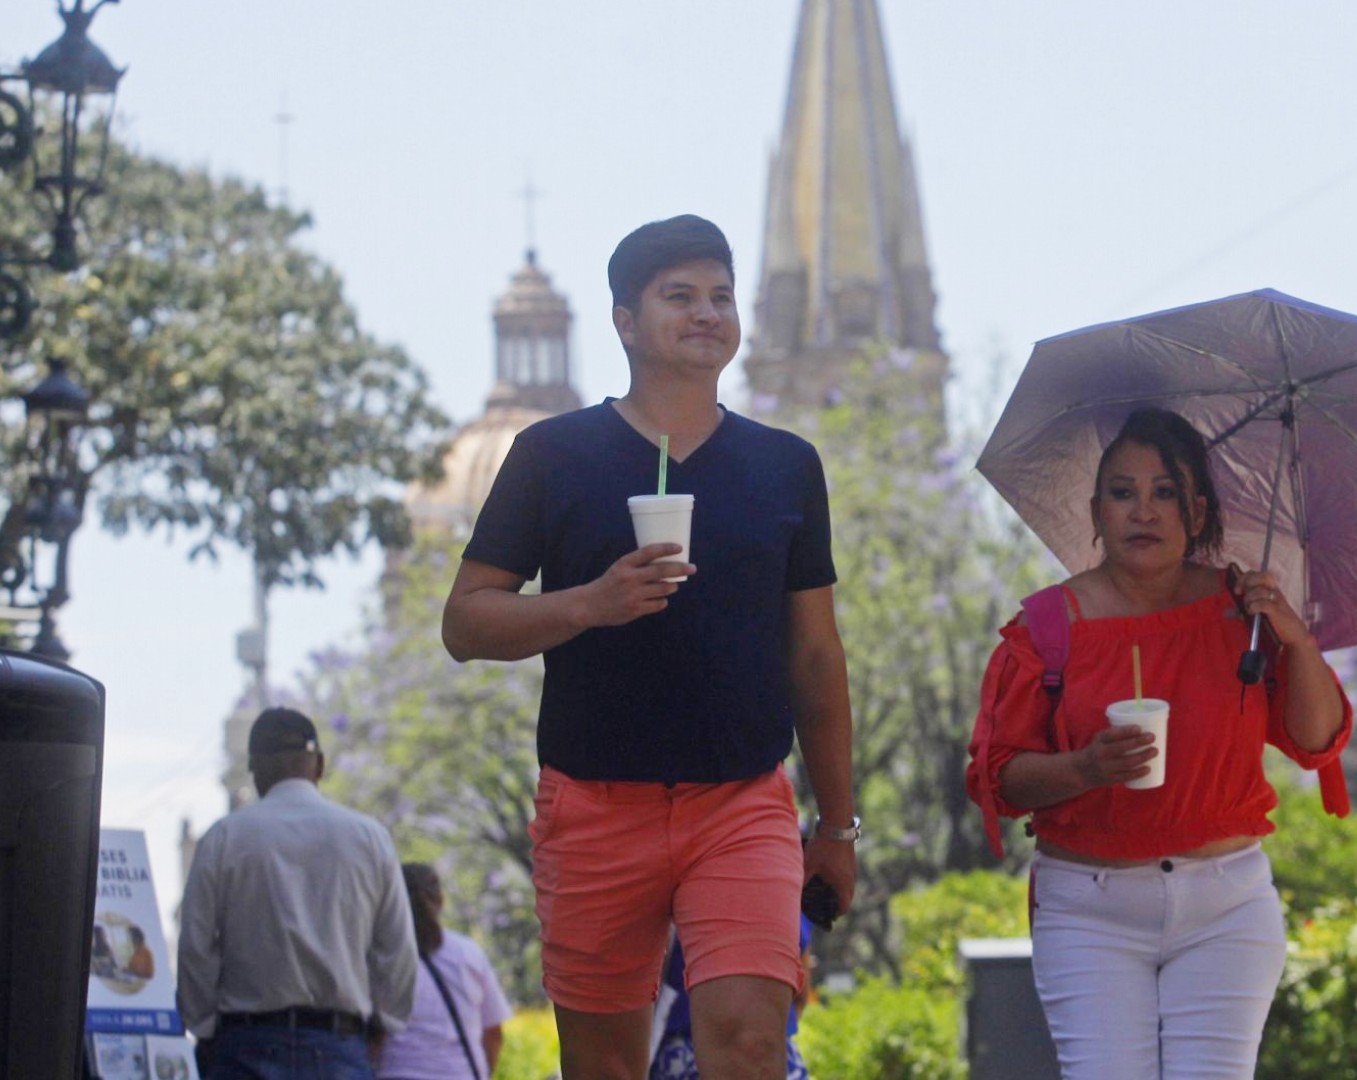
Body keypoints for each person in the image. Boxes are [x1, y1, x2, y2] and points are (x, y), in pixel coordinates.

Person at [441, 213, 857, 1080]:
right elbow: (467, 621)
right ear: (626, 321)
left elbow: (816, 655)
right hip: (593, 805)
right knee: (604, 1068)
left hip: (741, 802)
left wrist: (839, 826)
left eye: (721, 296)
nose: (707, 313)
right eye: (680, 297)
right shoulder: (553, 455)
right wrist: (591, 602)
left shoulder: (785, 466)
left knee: (750, 1042)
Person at [966, 407, 1353, 1080]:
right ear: (1096, 509)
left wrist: (1297, 638)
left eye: (1164, 492)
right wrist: (1085, 767)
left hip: (1228, 907)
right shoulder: (1048, 628)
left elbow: (1315, 741)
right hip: (1089, 912)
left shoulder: (1244, 613)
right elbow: (998, 780)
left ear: (1197, 511)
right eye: (1123, 492)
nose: (1143, 510)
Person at [177, 707, 417, 1080]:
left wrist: (205, 1027)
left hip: (243, 1045)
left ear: (254, 768)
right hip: (339, 1045)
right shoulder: (369, 839)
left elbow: (195, 947)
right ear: (319, 764)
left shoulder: (224, 838)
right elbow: (398, 949)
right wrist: (382, 1025)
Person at [376, 864, 513, 1080]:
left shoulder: (381, 954)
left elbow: (373, 1038)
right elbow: (493, 1034)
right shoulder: (468, 954)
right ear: (440, 901)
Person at [649, 914, 813, 1080]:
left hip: (686, 1053)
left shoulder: (679, 904)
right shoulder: (788, 908)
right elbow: (800, 995)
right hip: (772, 1054)